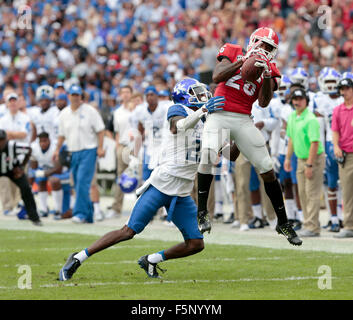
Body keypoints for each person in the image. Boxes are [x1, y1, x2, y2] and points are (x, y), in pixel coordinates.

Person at [58, 78, 225, 281]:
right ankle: (78, 257)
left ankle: (152, 260)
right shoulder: (178, 109)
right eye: (196, 92)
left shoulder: (206, 122)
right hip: (162, 184)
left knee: (196, 244)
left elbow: (229, 153)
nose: (203, 96)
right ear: (183, 95)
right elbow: (176, 127)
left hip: (182, 192)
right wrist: (203, 111)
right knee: (128, 231)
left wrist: (238, 129)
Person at [196, 27, 302, 246]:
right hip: (220, 112)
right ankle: (202, 212)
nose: (264, 49)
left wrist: (265, 76)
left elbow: (263, 102)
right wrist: (243, 60)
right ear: (254, 41)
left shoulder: (271, 68)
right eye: (262, 44)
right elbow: (217, 76)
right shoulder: (234, 51)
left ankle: (282, 222)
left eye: (269, 47)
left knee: (267, 167)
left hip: (244, 118)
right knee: (207, 153)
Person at [53, 84, 106, 224]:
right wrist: (56, 149)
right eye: (73, 95)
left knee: (83, 181)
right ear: (69, 96)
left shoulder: (90, 111)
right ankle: (89, 214)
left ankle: (80, 213)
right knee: (77, 183)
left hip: (89, 150)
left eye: (78, 95)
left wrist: (100, 148)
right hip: (73, 151)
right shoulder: (64, 113)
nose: (75, 98)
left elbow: (100, 130)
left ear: (81, 97)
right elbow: (61, 135)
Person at [284, 89, 325, 237]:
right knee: (302, 192)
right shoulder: (293, 117)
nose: (297, 101)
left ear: (306, 101)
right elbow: (291, 139)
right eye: (295, 99)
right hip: (300, 159)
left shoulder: (311, 118)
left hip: (313, 159)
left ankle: (313, 227)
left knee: (311, 193)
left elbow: (315, 143)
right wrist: (288, 158)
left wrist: (309, 164)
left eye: (300, 99)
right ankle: (308, 223)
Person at [314, 68, 344, 232]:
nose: (332, 86)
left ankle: (342, 217)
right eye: (328, 82)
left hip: (346, 144)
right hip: (329, 144)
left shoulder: (344, 99)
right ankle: (334, 218)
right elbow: (320, 129)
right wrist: (322, 151)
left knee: (344, 184)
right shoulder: (320, 99)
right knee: (332, 183)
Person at [0, 129, 42, 226]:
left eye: (2, 140)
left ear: (6, 139)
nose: (0, 142)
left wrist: (21, 167)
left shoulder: (13, 146)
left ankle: (34, 217)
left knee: (26, 188)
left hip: (12, 169)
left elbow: (28, 150)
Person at [106, 85, 133, 219]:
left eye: (128, 92)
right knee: (121, 178)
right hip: (123, 145)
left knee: (142, 178)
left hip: (137, 146)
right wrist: (117, 147)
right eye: (123, 92)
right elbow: (116, 132)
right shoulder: (117, 112)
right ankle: (117, 208)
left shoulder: (137, 110)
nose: (126, 95)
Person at [29, 132, 71, 218]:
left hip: (62, 171)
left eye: (45, 141)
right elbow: (33, 166)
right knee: (37, 179)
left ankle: (58, 209)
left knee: (54, 180)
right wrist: (35, 173)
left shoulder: (56, 147)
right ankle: (43, 209)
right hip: (45, 170)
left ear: (49, 140)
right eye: (41, 141)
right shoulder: (34, 148)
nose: (43, 143)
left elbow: (58, 169)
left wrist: (44, 173)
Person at [332, 78, 353, 238]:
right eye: (342, 89)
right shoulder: (338, 110)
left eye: (347, 88)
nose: (344, 92)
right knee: (347, 192)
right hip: (346, 154)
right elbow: (335, 131)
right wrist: (336, 146)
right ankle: (349, 225)